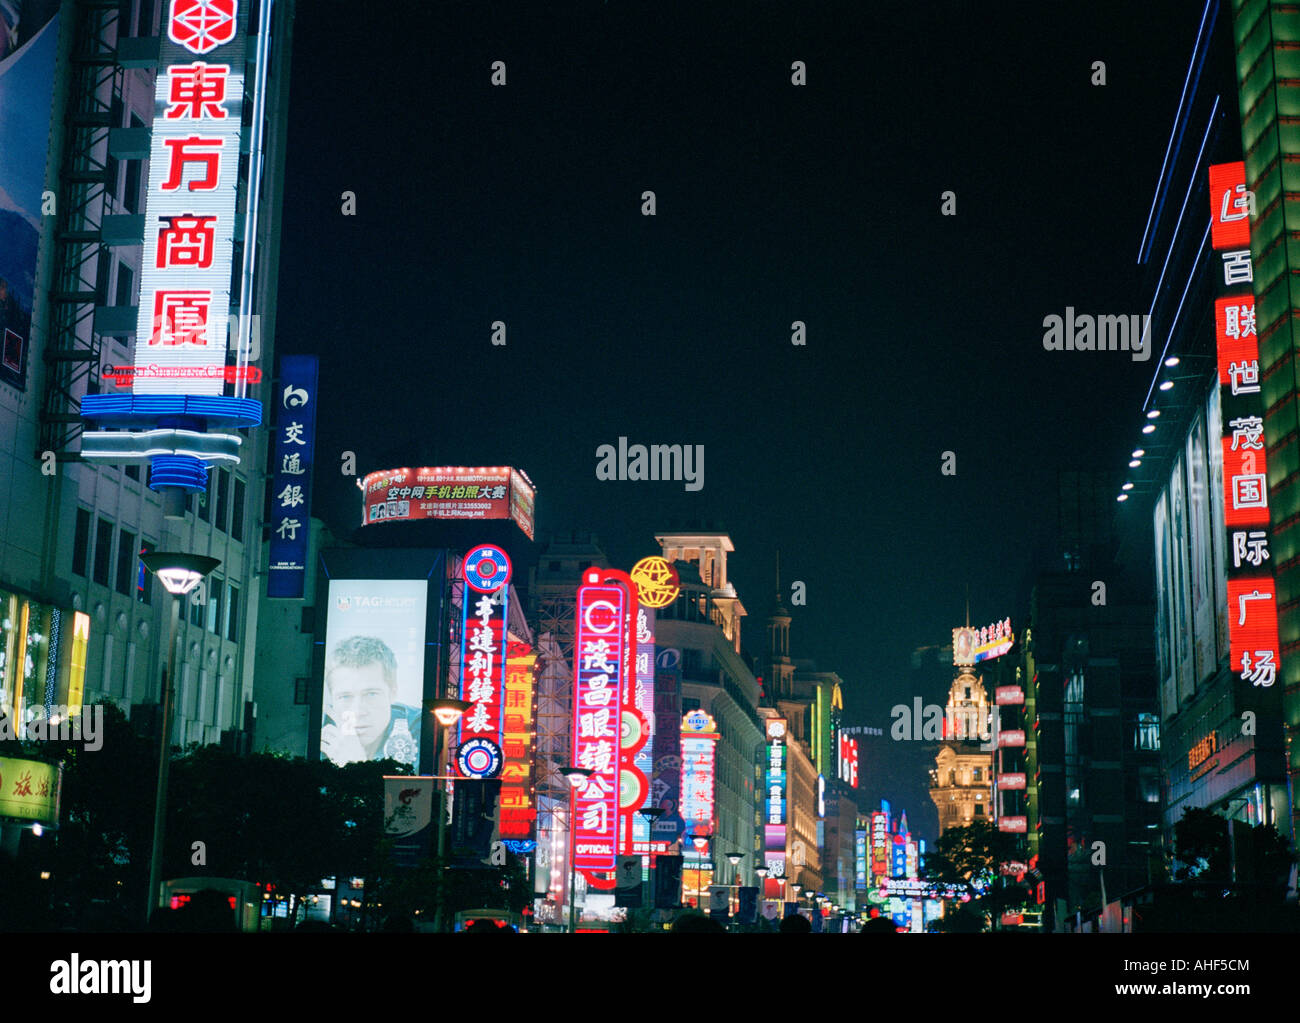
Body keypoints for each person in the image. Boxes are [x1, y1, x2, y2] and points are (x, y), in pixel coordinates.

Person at [320, 636, 419, 766]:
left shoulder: (419, 726)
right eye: (345, 697)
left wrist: (356, 765)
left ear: (393, 693)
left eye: (371, 694)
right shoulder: (318, 734)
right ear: (331, 700)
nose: (358, 712)